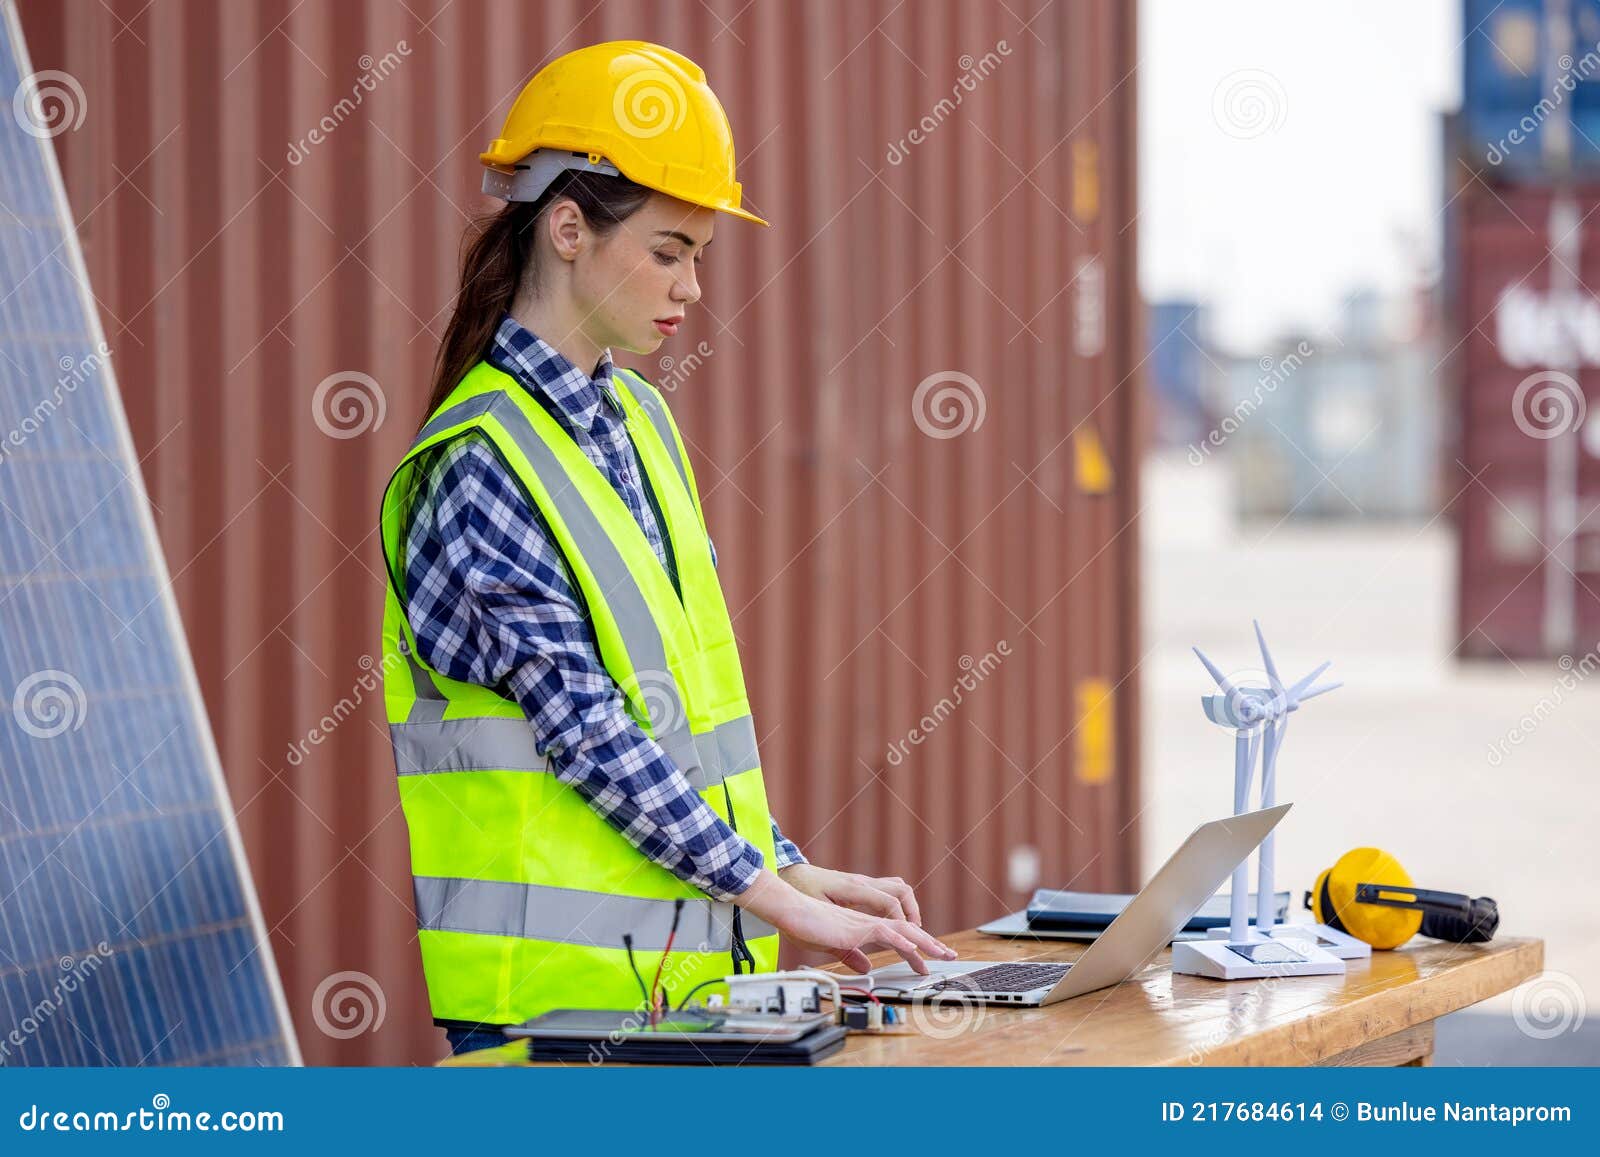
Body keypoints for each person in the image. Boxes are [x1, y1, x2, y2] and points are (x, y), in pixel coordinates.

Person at [376, 40, 956, 1057]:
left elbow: (673, 725)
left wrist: (790, 866)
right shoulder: (481, 465)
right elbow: (591, 734)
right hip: (551, 1014)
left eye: (698, 254)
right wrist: (777, 896)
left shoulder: (636, 421)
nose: (691, 286)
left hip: (679, 991)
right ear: (567, 229)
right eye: (667, 249)